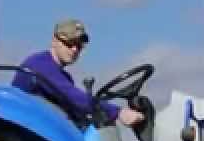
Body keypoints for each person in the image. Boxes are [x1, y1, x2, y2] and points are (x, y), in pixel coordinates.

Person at [12, 18, 145, 127]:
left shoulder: (63, 75)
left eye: (79, 46)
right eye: (69, 44)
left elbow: (74, 107)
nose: (75, 50)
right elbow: (74, 98)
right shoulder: (40, 64)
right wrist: (118, 112)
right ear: (54, 41)